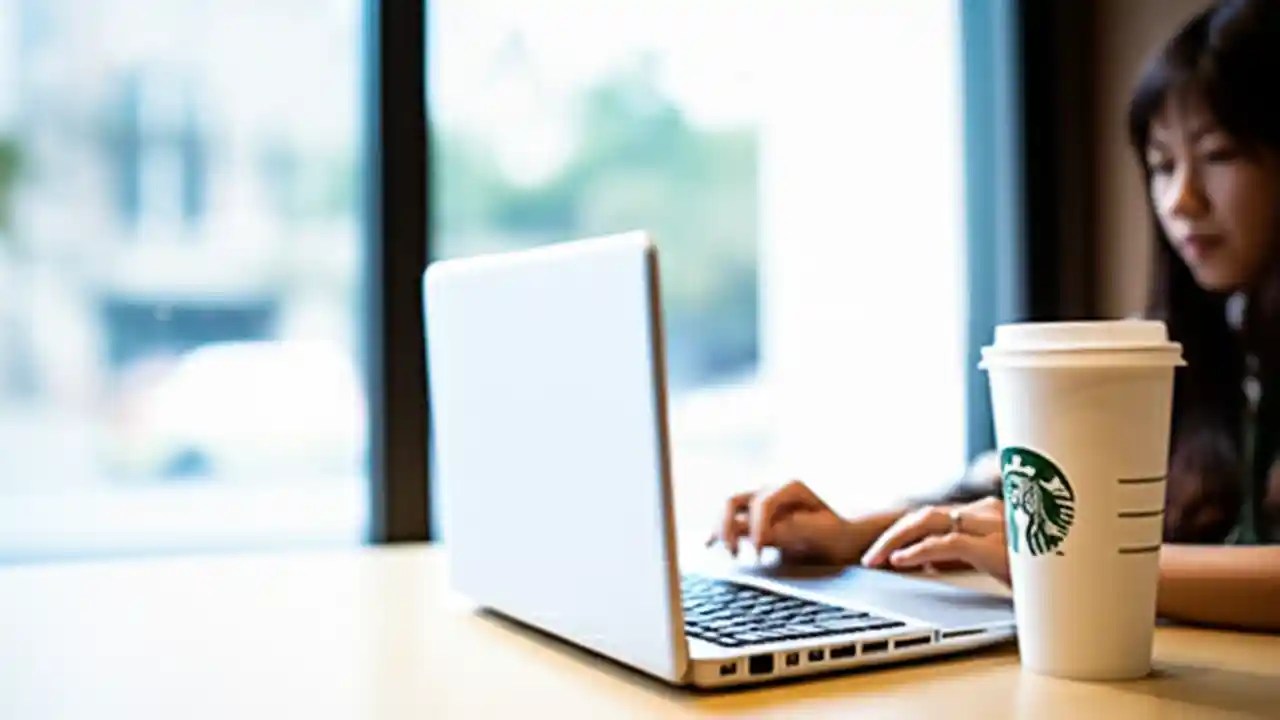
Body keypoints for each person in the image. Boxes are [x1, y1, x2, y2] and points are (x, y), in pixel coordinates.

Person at [710, 0, 1280, 631]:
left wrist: (1066, 562)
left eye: (1221, 154)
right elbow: (1022, 494)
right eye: (1162, 164)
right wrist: (853, 535)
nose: (1182, 199)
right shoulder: (1198, 344)